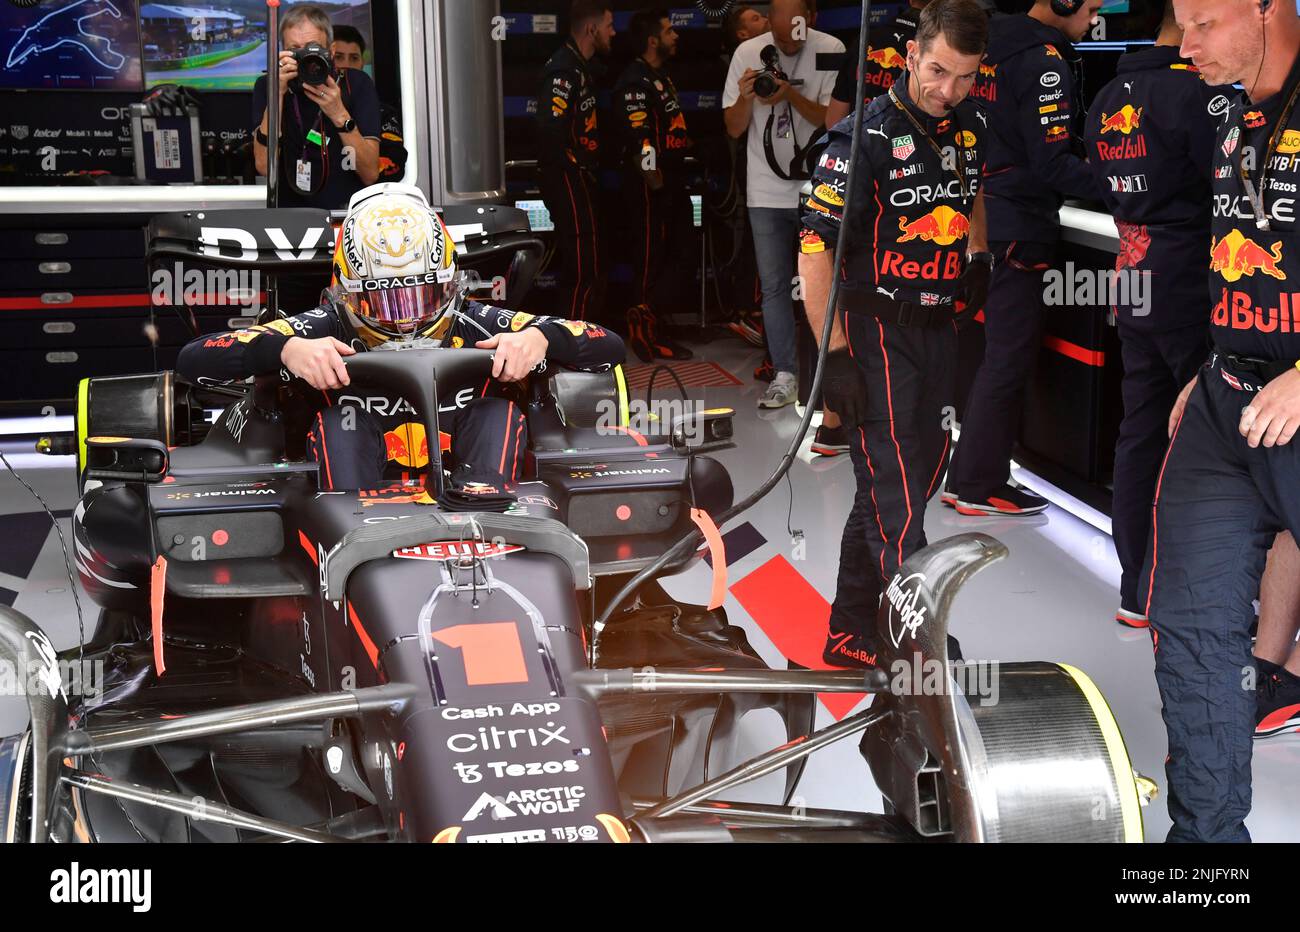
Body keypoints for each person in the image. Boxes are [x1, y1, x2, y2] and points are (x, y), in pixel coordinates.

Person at [176, 184, 624, 496]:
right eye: (384, 301)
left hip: (477, 507)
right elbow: (194, 359)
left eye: (421, 294)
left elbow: (608, 344)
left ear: (449, 283)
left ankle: (496, 518)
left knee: (496, 413)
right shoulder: (318, 327)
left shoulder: (480, 321)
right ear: (346, 292)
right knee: (342, 426)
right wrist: (283, 349)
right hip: (351, 514)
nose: (405, 320)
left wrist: (541, 340)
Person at [1143, 0, 1300, 842]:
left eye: (1203, 21)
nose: (1186, 43)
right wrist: (1218, 360)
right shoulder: (1236, 115)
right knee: (1197, 637)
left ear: (1271, 7)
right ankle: (1207, 861)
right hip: (1229, 404)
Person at [799, 0, 991, 667]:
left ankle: (851, 633)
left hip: (942, 333)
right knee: (898, 498)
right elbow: (813, 249)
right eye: (937, 71)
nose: (948, 91)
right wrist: (835, 359)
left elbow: (971, 199)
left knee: (905, 485)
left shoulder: (969, 127)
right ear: (911, 54)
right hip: (876, 333)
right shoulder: (862, 138)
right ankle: (922, 649)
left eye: (965, 77)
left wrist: (979, 256)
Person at [1083, 1, 1223, 627]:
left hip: (1131, 273)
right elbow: (1232, 191)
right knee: (1205, 435)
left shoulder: (1107, 97)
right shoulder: (1194, 95)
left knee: (1140, 430)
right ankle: (1184, 592)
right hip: (1192, 282)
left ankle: (1134, 587)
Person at [939, 0, 1103, 516]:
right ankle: (978, 484)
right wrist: (1129, 182)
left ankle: (963, 472)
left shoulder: (987, 43)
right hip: (1016, 227)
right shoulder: (1042, 58)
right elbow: (1054, 163)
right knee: (1006, 358)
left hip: (974, 216)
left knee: (986, 353)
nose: (1098, 7)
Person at [723, 0, 844, 412]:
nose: (788, 37)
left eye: (796, 28)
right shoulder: (747, 53)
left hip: (822, 189)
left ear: (810, 18)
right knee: (774, 286)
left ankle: (831, 374)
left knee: (829, 284)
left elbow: (833, 121)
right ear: (769, 23)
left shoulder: (832, 49)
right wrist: (745, 98)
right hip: (766, 190)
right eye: (778, 29)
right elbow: (734, 128)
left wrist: (790, 93)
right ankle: (786, 374)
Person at [616, 8, 695, 362]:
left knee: (675, 256)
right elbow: (640, 143)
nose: (675, 35)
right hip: (650, 189)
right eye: (668, 31)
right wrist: (657, 187)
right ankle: (644, 334)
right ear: (652, 40)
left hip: (672, 184)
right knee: (650, 259)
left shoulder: (660, 75)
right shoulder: (635, 80)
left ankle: (654, 324)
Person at [252, 4, 382, 209]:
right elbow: (264, 168)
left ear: (331, 51)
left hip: (346, 215)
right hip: (290, 216)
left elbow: (370, 173)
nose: (307, 58)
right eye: (295, 50)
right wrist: (277, 95)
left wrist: (338, 113)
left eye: (313, 48)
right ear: (283, 52)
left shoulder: (356, 83)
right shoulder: (268, 86)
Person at [535, 1, 615, 323]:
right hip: (568, 179)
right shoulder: (564, 67)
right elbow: (549, 131)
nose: (613, 32)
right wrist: (572, 169)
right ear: (591, 28)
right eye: (609, 26)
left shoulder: (581, 66)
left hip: (580, 178)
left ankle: (580, 344)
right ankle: (575, 350)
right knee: (584, 268)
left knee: (588, 266)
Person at [825, 0, 934, 129]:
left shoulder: (865, 40)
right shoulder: (936, 51)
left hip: (858, 144)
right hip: (907, 145)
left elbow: (833, 121)